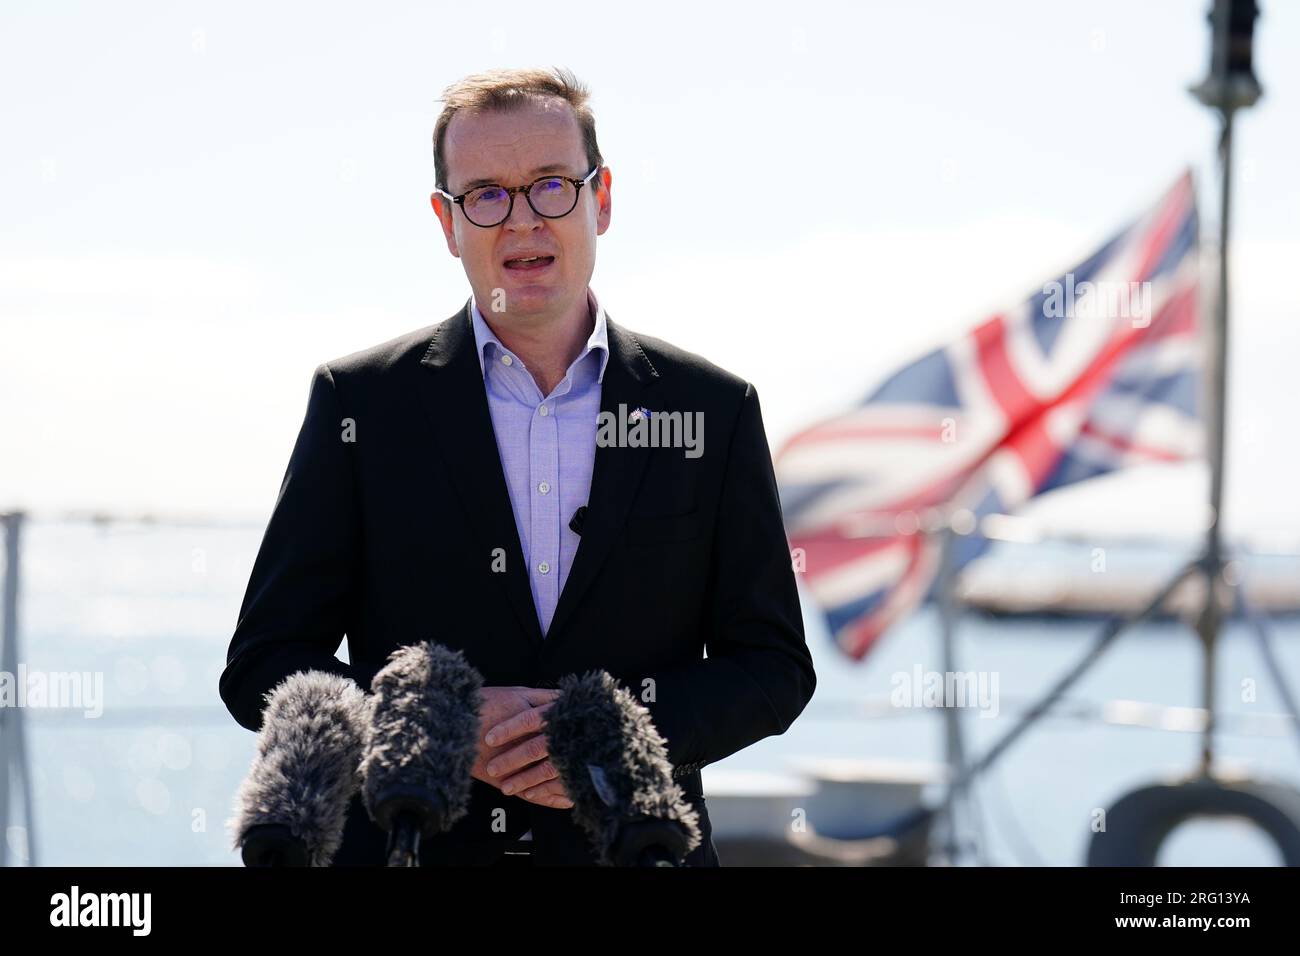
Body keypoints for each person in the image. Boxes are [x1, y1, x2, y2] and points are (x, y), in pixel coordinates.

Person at [219, 66, 816, 866]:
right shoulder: (358, 401)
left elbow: (774, 668)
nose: (522, 220)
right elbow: (262, 661)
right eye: (487, 195)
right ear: (447, 221)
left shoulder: (713, 407)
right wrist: (433, 729)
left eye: (551, 187)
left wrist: (609, 739)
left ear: (601, 200)